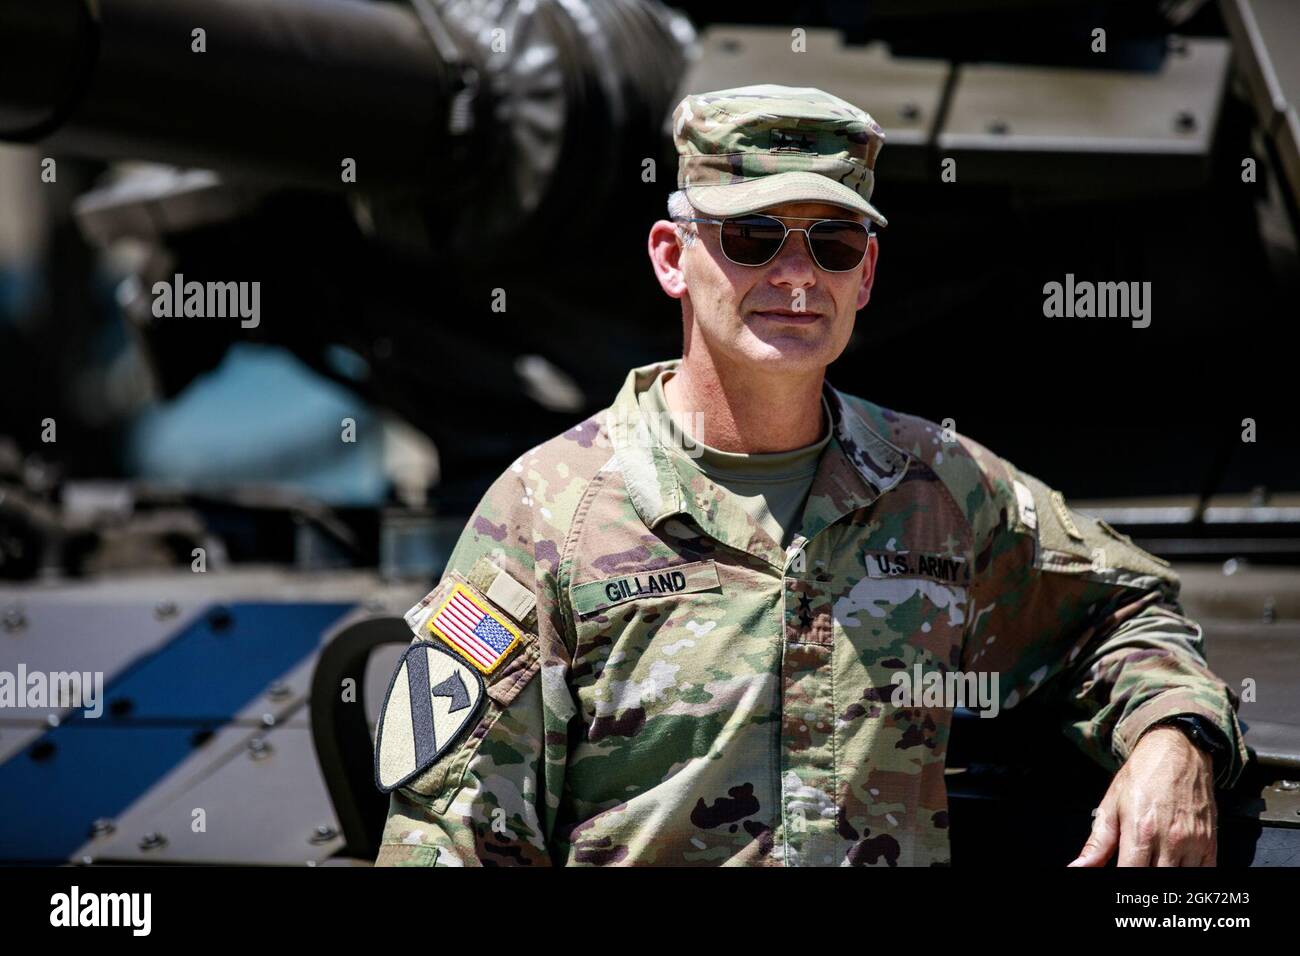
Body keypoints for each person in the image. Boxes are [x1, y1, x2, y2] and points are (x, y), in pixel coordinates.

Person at [371, 84, 1247, 867]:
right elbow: (451, 834)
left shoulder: (937, 487)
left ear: (864, 276)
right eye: (753, 238)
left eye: (831, 243)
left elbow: (1123, 607)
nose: (796, 276)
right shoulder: (548, 510)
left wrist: (1176, 736)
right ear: (672, 257)